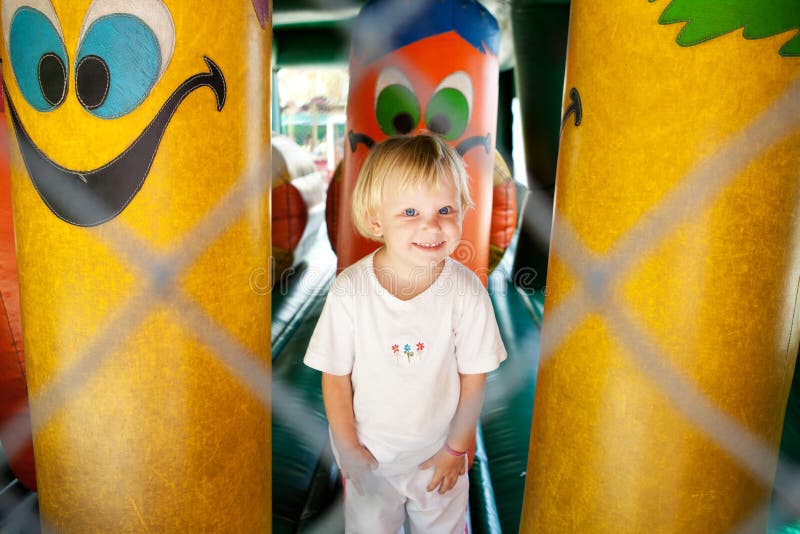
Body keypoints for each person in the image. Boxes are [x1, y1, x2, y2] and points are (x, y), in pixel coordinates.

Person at [304, 133, 507, 533]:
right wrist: (349, 450)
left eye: (445, 209)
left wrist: (456, 448)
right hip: (371, 462)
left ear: (463, 211)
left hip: (438, 459)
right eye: (410, 212)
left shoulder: (466, 293)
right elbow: (335, 377)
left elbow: (473, 378)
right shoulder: (351, 291)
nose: (431, 225)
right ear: (377, 219)